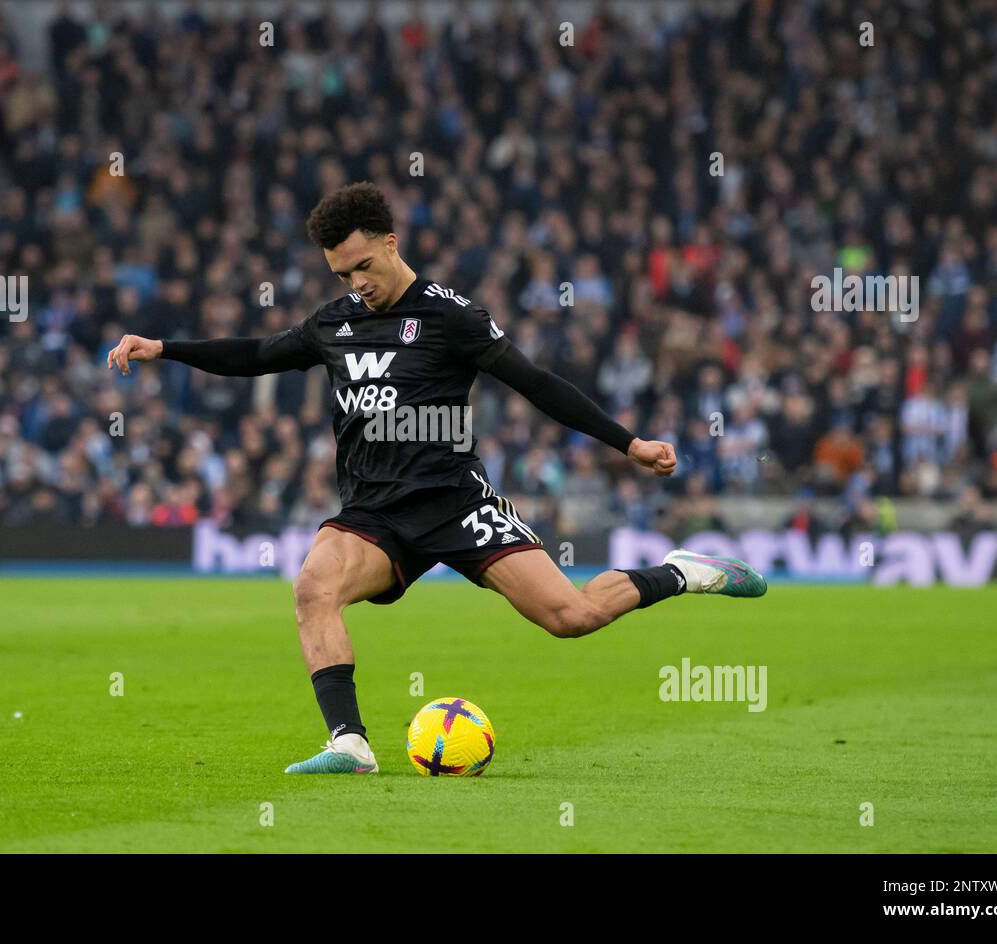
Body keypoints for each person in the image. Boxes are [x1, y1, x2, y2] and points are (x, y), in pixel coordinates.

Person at [107, 182, 767, 774]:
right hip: (374, 514)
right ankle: (350, 743)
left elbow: (536, 383)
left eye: (365, 264)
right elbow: (253, 355)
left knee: (572, 616)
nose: (357, 280)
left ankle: (682, 571)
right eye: (342, 271)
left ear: (392, 243)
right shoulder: (333, 323)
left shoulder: (451, 315)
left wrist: (629, 444)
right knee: (313, 588)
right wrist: (163, 348)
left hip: (454, 502)